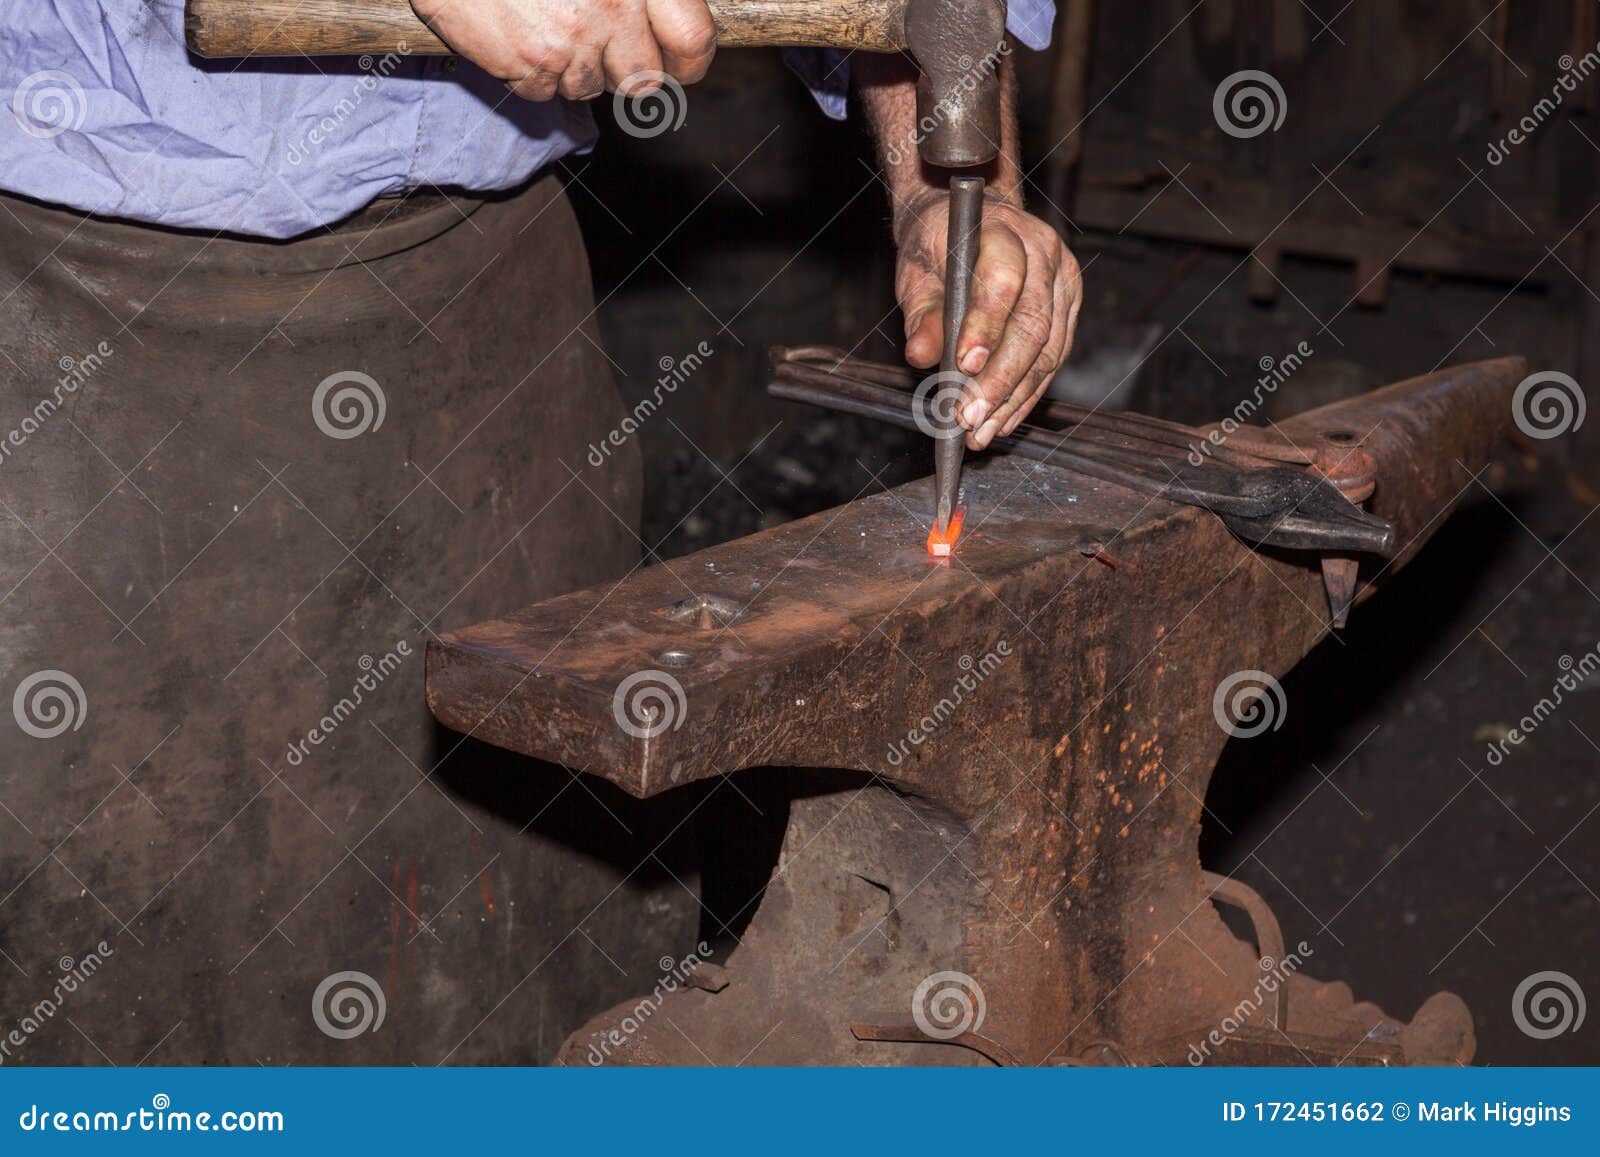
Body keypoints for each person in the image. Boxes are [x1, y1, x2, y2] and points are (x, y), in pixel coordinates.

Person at [0, 0, 1077, 1063]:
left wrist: (945, 189)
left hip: (486, 312)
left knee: (535, 919)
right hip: (81, 309)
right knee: (114, 937)